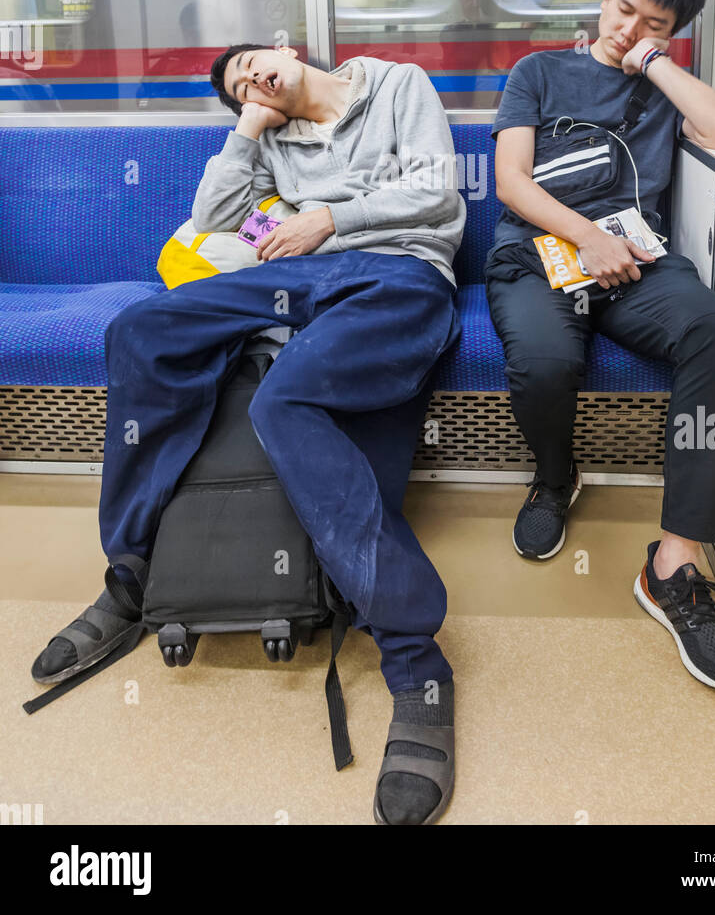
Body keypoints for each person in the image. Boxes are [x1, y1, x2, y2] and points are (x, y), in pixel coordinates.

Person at [31, 44, 466, 826]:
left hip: (398, 271)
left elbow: (437, 188)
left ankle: (414, 658)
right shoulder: (266, 140)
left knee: (284, 402)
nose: (251, 83)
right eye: (237, 88)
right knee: (140, 332)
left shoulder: (398, 84)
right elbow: (213, 221)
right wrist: (249, 129)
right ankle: (134, 575)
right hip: (294, 278)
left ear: (286, 48)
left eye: (254, 67)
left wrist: (328, 218)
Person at [484, 0, 715, 693]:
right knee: (545, 359)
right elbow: (510, 181)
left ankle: (674, 563)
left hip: (637, 265)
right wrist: (588, 236)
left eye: (651, 23)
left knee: (714, 326)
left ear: (672, 33)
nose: (627, 28)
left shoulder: (663, 80)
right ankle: (553, 477)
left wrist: (655, 65)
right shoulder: (539, 73)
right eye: (622, 9)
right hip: (543, 254)